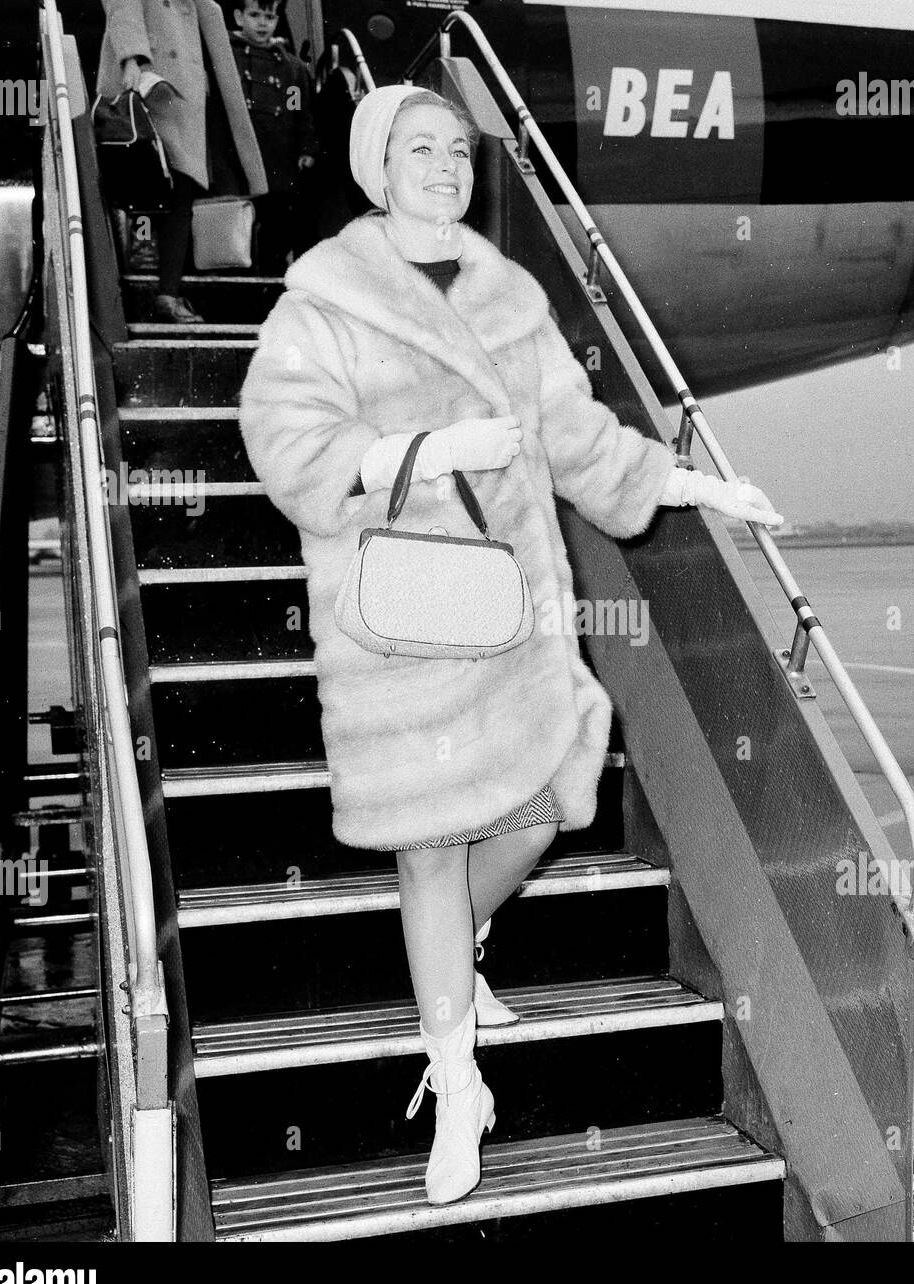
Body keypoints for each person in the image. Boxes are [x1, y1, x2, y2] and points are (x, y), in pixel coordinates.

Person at [237, 85, 782, 1207]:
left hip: (515, 614)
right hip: (404, 619)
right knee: (429, 850)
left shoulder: (509, 295)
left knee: (545, 802)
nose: (443, 166)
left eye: (455, 149)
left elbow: (576, 433)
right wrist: (427, 452)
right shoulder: (323, 301)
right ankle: (456, 1081)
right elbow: (287, 447)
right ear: (373, 168)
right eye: (416, 149)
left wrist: (688, 483)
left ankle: (457, 950)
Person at [98, 0, 268, 321]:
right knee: (155, 192)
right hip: (152, 88)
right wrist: (132, 60)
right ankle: (161, 294)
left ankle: (168, 294)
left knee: (180, 197)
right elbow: (123, 7)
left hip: (178, 94)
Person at [229, 0, 317, 272]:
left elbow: (297, 111)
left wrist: (306, 148)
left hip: (277, 161)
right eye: (255, 15)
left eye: (270, 16)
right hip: (234, 160)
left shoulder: (291, 68)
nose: (263, 23)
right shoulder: (223, 57)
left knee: (275, 229)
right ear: (239, 16)